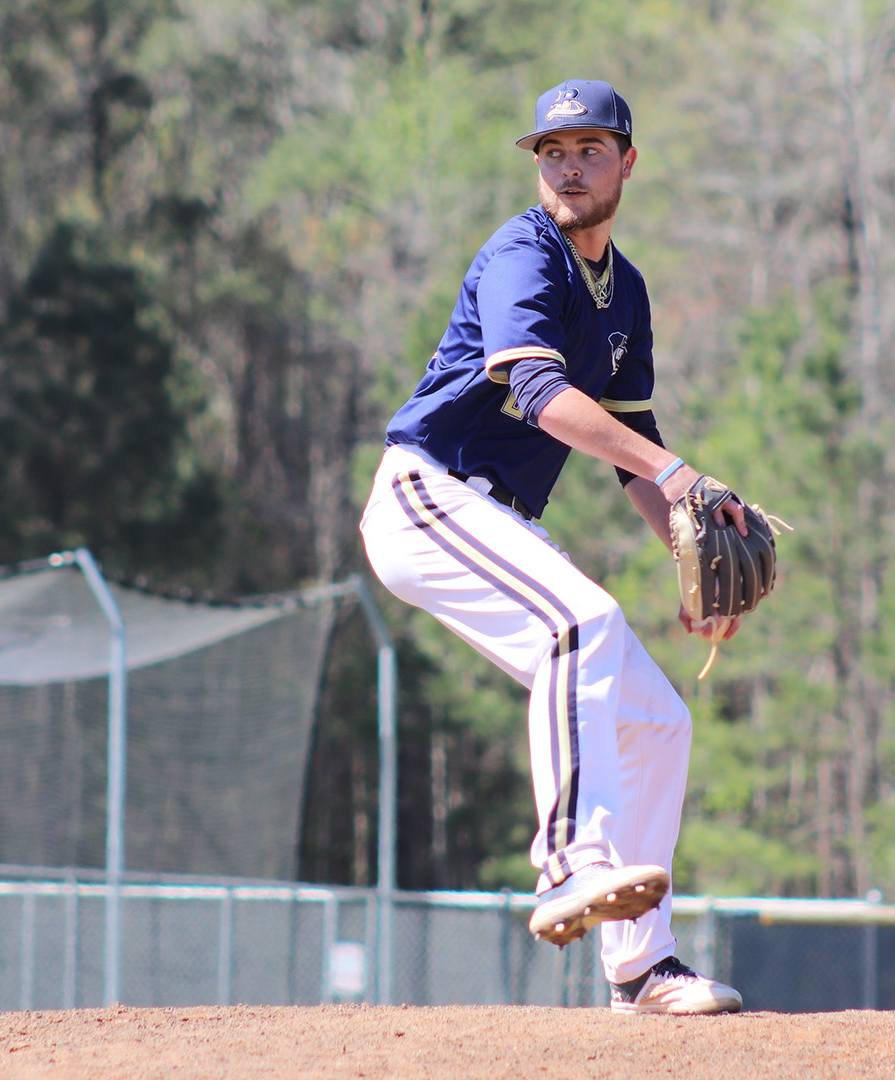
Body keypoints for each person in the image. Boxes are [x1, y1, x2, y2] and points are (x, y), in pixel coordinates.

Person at [358, 78, 748, 1015]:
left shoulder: (626, 291)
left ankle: (640, 968)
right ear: (537, 164)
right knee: (581, 623)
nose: (569, 167)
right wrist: (687, 476)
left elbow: (628, 436)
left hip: (496, 521)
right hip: (429, 498)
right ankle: (572, 858)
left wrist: (683, 549)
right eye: (552, 151)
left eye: (588, 149)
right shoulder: (520, 254)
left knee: (658, 723)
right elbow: (540, 395)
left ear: (626, 161)